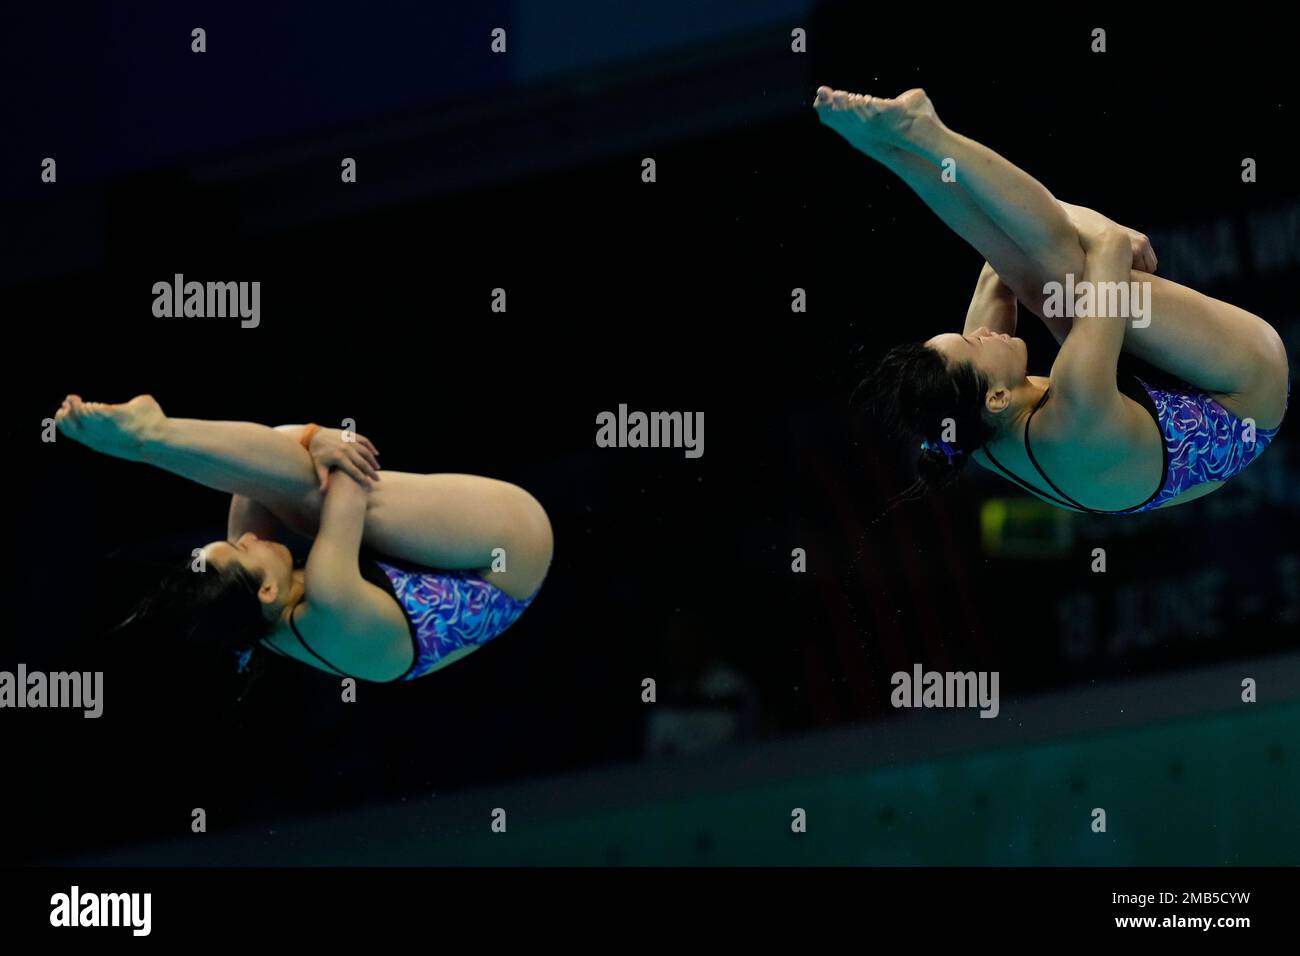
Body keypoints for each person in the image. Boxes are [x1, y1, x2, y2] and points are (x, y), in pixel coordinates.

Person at [816, 87, 1290, 515]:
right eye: (975, 344)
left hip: (1156, 408)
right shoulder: (1076, 405)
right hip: (1245, 396)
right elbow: (1108, 243)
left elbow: (994, 265)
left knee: (1028, 274)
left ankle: (888, 149)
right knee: (1065, 272)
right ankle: (925, 131)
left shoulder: (969, 428)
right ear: (998, 397)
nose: (981, 333)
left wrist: (905, 159)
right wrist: (1089, 225)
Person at [55, 394, 553, 681]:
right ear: (268, 590)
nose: (248, 539)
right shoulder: (328, 599)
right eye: (241, 551)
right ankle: (153, 438)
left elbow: (248, 476)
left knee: (275, 474)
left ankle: (151, 441)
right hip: (506, 556)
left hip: (445, 569)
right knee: (308, 488)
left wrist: (308, 439)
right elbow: (350, 473)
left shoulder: (250, 612)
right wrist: (320, 438)